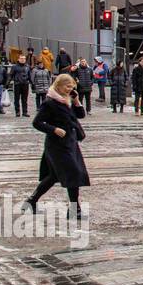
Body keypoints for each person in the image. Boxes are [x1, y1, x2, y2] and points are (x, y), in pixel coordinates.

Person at [25, 73, 90, 219]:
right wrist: (53, 129)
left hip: (70, 143)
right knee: (73, 174)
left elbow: (80, 115)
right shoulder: (50, 102)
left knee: (53, 176)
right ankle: (75, 210)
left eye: (71, 87)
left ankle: (31, 201)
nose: (69, 89)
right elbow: (37, 123)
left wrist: (77, 100)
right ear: (59, 86)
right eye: (67, 86)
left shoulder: (67, 99)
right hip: (57, 145)